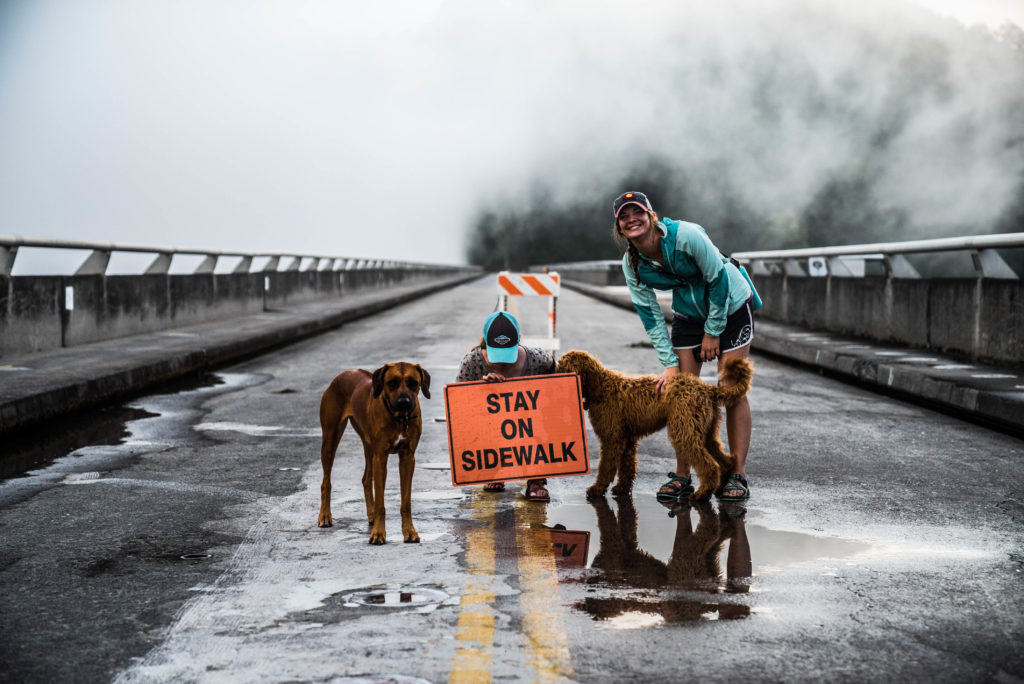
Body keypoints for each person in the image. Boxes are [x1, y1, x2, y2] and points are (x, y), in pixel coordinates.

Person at [612, 190, 754, 501]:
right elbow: (649, 313)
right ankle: (683, 474)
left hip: (729, 305)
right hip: (689, 313)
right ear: (620, 227)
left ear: (651, 215)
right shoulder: (632, 263)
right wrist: (669, 363)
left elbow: (718, 278)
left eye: (637, 212)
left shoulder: (686, 236)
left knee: (730, 387)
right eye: (624, 216)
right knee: (681, 392)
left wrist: (713, 331)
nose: (631, 219)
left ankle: (737, 474)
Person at [455, 310, 555, 502]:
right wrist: (483, 391)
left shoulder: (539, 360)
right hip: (490, 425)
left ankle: (536, 479)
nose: (501, 361)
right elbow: (458, 409)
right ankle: (493, 470)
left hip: (528, 425)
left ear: (518, 343)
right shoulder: (471, 363)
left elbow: (559, 391)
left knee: (539, 421)